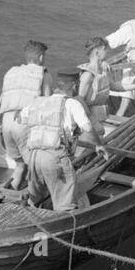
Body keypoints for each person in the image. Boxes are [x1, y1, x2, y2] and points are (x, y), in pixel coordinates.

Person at [18, 70, 106, 212]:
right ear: (73, 86)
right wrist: (99, 145)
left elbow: (19, 118)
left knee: (35, 200)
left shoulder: (38, 101)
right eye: (77, 85)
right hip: (54, 158)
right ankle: (66, 229)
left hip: (33, 157)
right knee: (65, 205)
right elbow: (88, 128)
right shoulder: (72, 103)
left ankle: (32, 221)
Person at [0, 40, 52, 190]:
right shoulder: (43, 74)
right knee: (35, 167)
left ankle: (6, 193)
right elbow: (47, 105)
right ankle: (31, 199)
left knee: (20, 165)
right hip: (24, 125)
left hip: (7, 125)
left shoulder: (12, 74)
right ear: (40, 57)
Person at [78, 36, 112, 137]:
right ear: (97, 52)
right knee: (89, 143)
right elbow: (80, 99)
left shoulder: (101, 69)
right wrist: (93, 121)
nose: (107, 52)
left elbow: (112, 85)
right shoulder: (88, 75)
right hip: (90, 119)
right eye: (105, 49)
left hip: (99, 116)